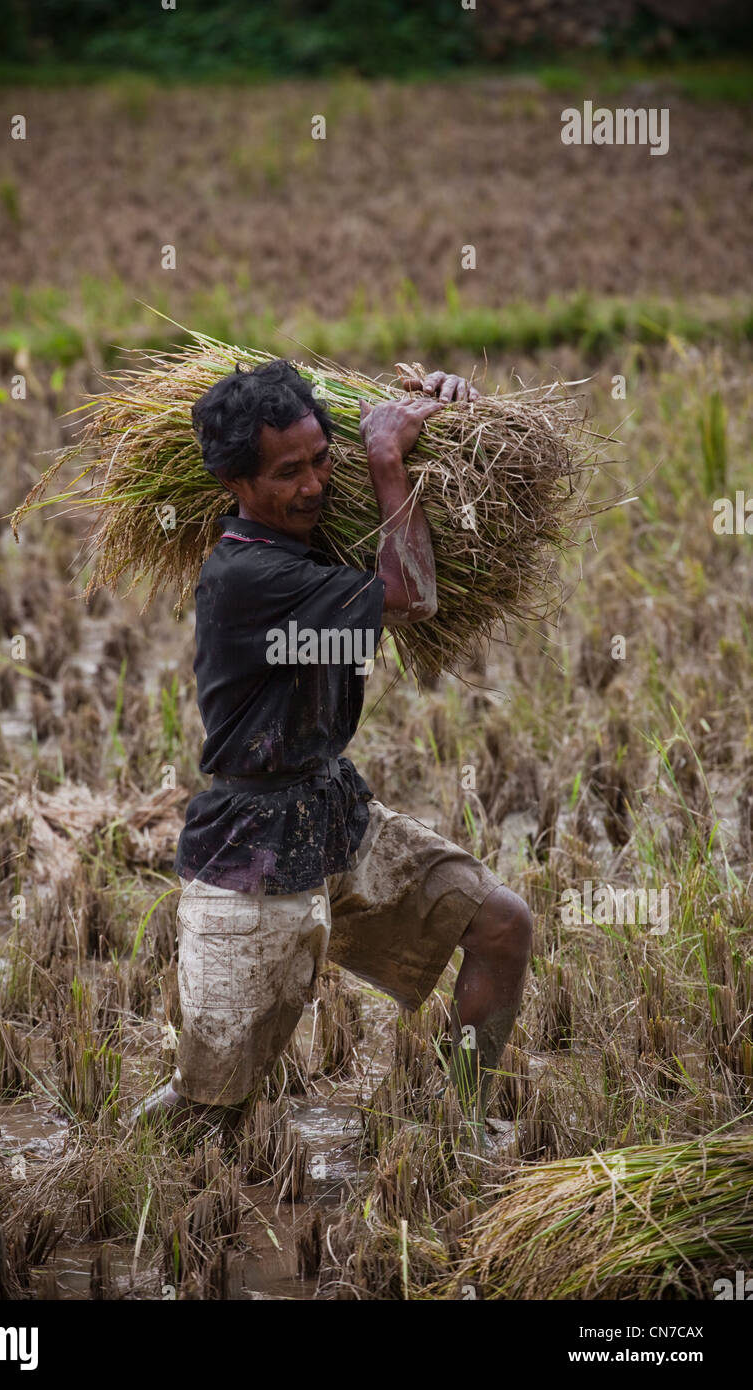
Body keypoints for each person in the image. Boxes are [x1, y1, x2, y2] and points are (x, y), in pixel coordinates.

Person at [132, 358, 532, 1138]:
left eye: (325, 459)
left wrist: (442, 420)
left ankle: (452, 1131)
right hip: (253, 849)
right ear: (235, 485)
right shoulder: (248, 573)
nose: (315, 484)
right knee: (209, 1108)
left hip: (333, 810)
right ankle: (115, 1176)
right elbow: (412, 594)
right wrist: (385, 458)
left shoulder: (311, 542)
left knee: (502, 927)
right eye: (288, 472)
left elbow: (416, 535)